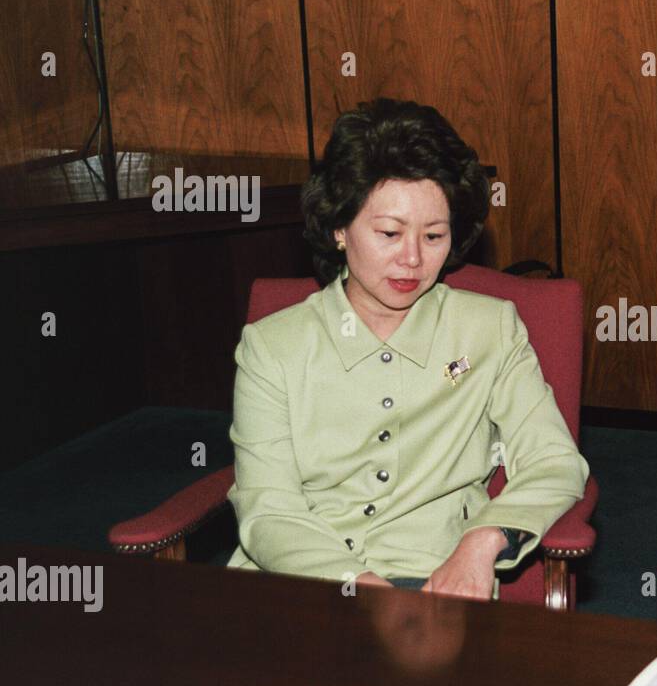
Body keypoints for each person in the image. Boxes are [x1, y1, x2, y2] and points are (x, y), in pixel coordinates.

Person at [226, 98, 589, 598]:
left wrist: (482, 541)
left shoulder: (489, 330)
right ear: (338, 228)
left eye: (435, 235)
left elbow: (555, 461)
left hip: (433, 582)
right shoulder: (272, 347)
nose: (413, 259)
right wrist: (357, 584)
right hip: (298, 583)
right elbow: (268, 508)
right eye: (389, 233)